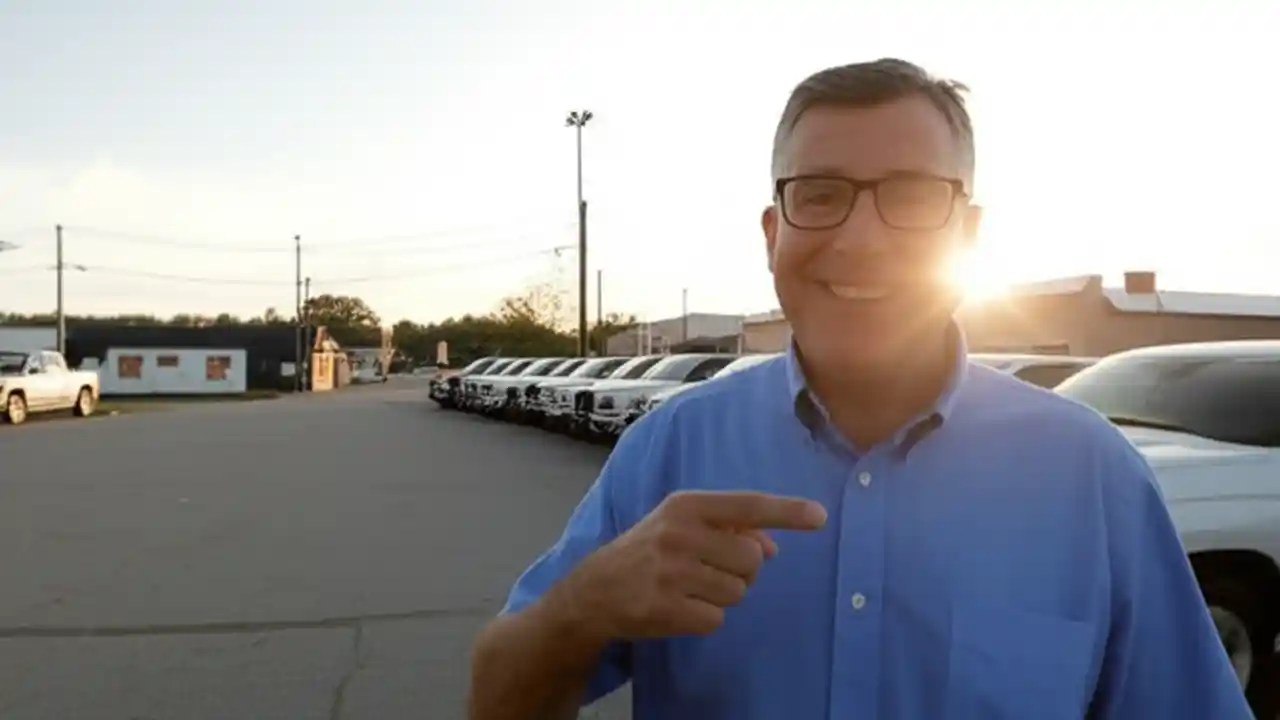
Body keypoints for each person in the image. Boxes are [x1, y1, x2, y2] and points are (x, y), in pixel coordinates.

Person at [467, 58, 1252, 719]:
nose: (863, 239)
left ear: (968, 236)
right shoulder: (669, 453)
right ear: (772, 232)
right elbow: (494, 702)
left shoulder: (1093, 478)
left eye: (911, 196)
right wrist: (581, 607)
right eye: (819, 193)